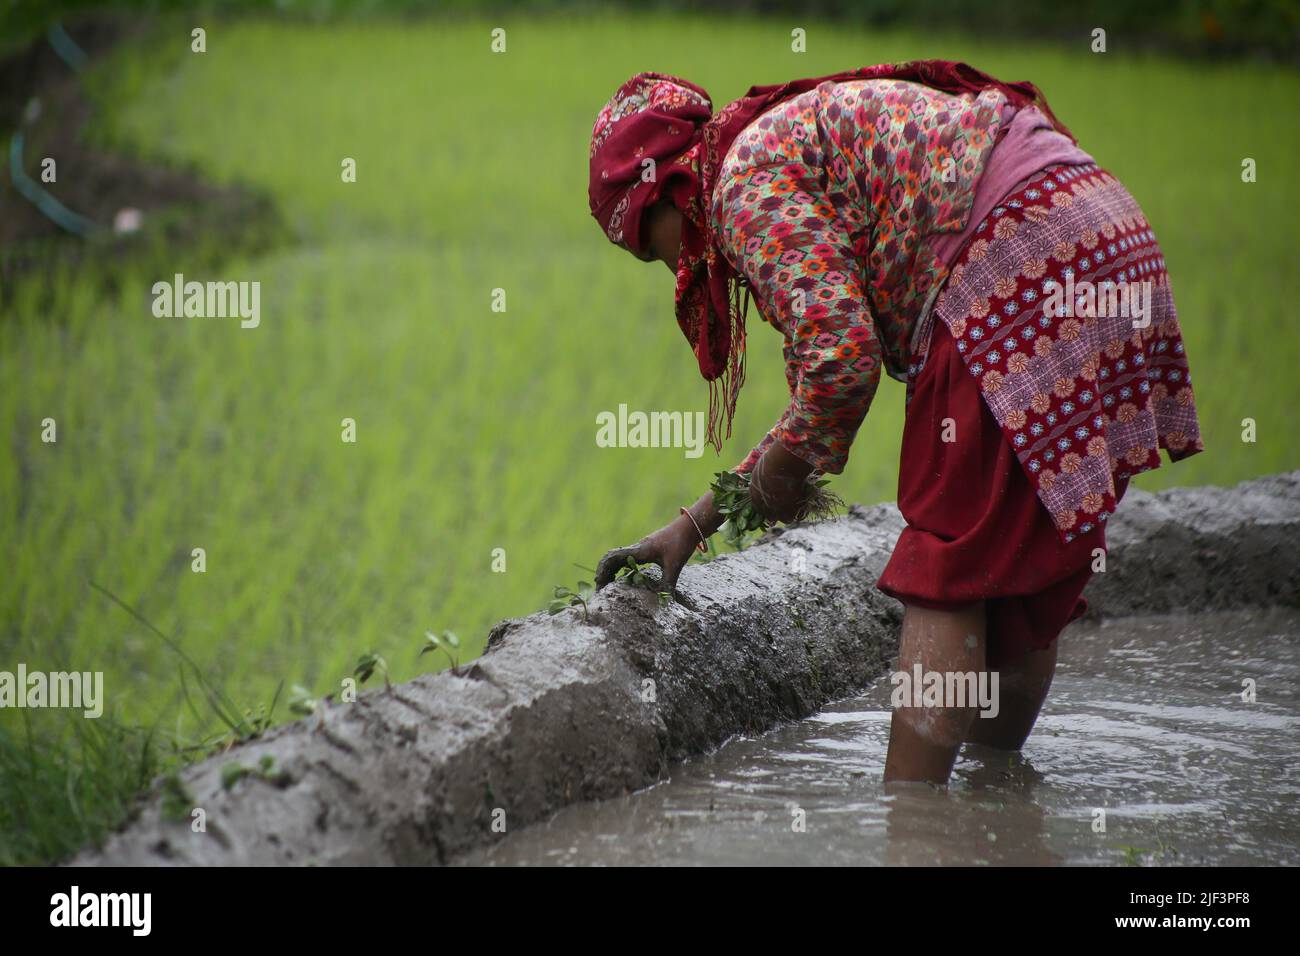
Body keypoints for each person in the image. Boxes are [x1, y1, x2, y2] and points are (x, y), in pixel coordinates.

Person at [588, 63, 1203, 784]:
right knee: (1014, 570)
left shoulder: (741, 185)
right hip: (1099, 233)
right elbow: (832, 369)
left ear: (665, 192)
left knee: (947, 559)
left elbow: (842, 362)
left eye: (643, 242)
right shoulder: (768, 145)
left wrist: (786, 476)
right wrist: (694, 526)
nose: (664, 263)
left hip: (1015, 263)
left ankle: (912, 826)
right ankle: (996, 803)